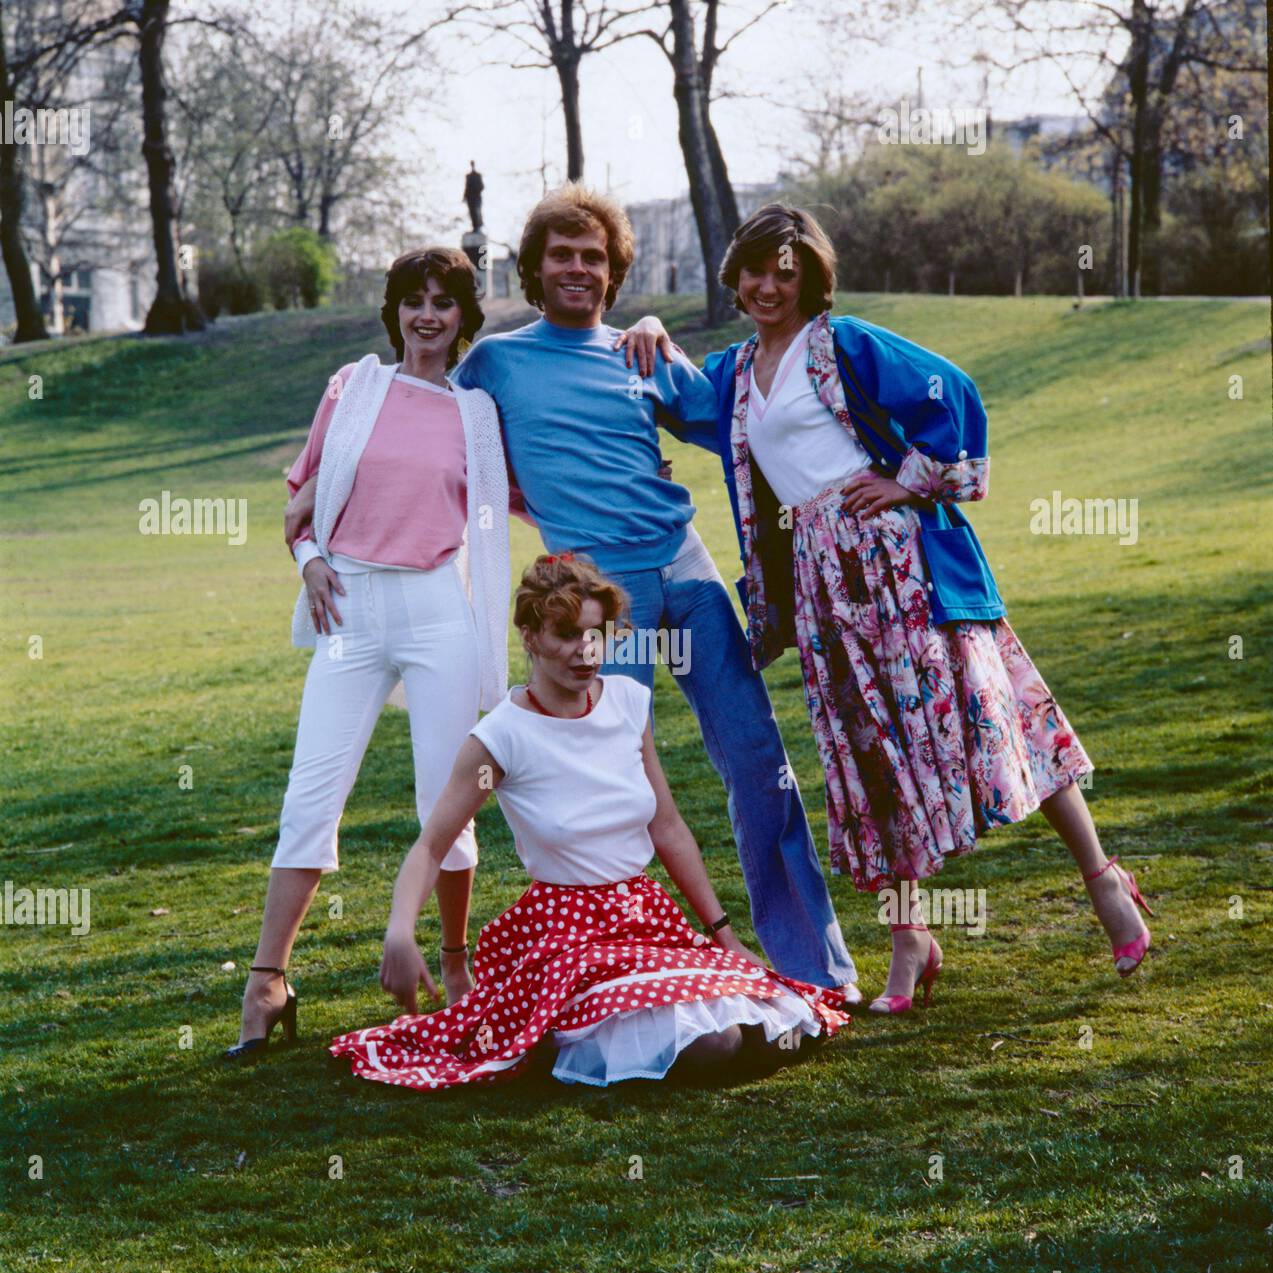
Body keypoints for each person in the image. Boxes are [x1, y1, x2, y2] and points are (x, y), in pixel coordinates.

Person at [681, 203, 1152, 1014]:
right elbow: (668, 398)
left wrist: (909, 478)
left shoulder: (842, 345)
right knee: (869, 758)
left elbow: (952, 394)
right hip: (827, 589)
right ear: (735, 276)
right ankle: (909, 940)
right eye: (752, 272)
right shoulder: (731, 376)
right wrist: (648, 326)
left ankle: (1104, 882)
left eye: (782, 273)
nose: (766, 287)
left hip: (903, 566)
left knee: (992, 719)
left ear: (808, 277)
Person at [444, 183, 861, 1000]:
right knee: (609, 779)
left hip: (687, 570)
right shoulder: (496, 361)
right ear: (533, 269)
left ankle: (813, 966)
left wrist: (663, 337)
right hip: (603, 595)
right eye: (561, 255)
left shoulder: (639, 351)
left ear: (614, 271)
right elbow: (432, 429)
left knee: (756, 763)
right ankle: (636, 967)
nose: (578, 269)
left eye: (593, 257)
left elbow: (736, 418)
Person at [329, 555, 852, 1091]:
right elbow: (432, 845)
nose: (587, 651)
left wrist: (723, 934)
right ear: (530, 635)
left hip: (648, 918)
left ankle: (645, 1034)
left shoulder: (627, 702)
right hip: (564, 934)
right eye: (566, 634)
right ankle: (578, 1033)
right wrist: (399, 931)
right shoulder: (501, 738)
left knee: (778, 1027)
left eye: (598, 634)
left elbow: (667, 825)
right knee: (716, 1045)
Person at [224, 247, 511, 1061]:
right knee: (308, 799)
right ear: (394, 311)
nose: (428, 316)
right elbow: (300, 500)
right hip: (348, 604)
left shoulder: (476, 415)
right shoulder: (354, 389)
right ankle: (267, 980)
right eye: (414, 301)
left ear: (462, 317)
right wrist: (309, 561)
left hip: (434, 611)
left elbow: (515, 497)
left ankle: (455, 965)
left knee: (444, 803)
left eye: (444, 303)